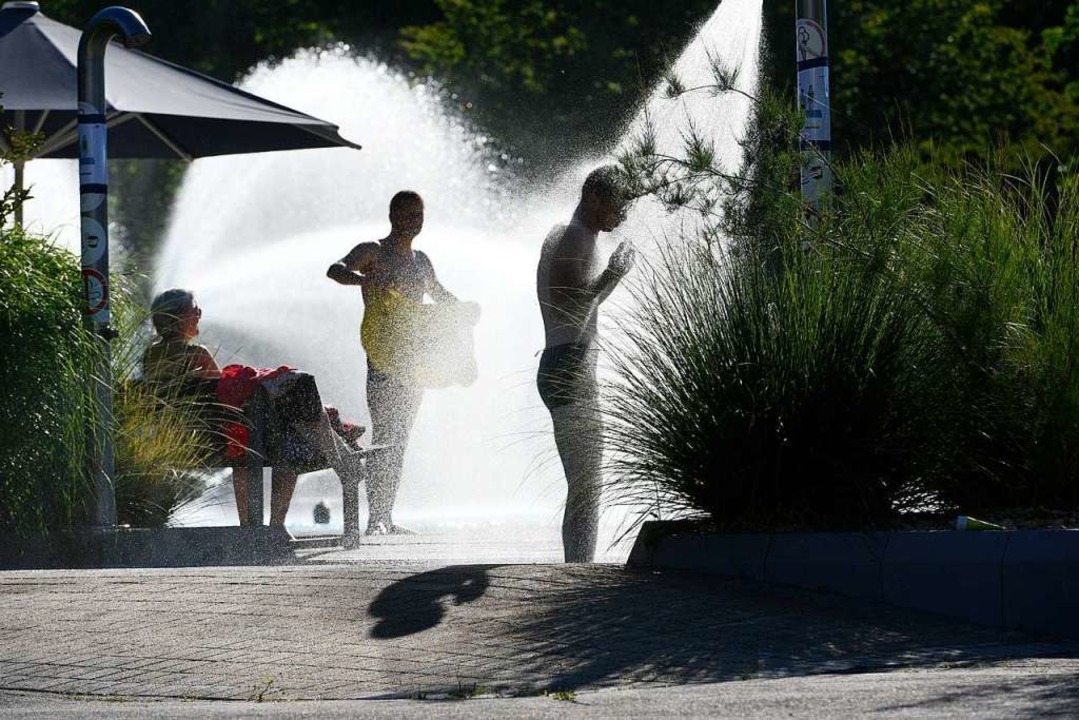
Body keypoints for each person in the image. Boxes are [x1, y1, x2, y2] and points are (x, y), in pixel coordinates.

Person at [143, 288, 359, 528]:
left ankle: (248, 527)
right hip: (221, 443)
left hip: (184, 443)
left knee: (275, 432)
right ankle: (279, 524)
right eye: (195, 310)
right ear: (180, 318)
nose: (200, 314)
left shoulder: (150, 356)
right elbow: (226, 403)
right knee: (286, 439)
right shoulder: (197, 354)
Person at [327, 190, 476, 536]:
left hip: (415, 360)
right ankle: (374, 518)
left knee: (401, 438)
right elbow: (335, 270)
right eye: (409, 215)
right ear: (393, 216)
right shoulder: (374, 252)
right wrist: (365, 279)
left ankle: (386, 516)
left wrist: (464, 309)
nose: (415, 222)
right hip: (382, 358)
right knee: (385, 434)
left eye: (420, 215)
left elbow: (440, 295)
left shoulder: (421, 261)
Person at [535, 165, 635, 562]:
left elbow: (581, 305)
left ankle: (580, 563)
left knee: (587, 480)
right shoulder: (573, 236)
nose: (622, 215)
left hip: (567, 363)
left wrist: (611, 278)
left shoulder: (578, 236)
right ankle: (579, 569)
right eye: (617, 204)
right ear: (594, 197)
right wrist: (611, 272)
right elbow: (567, 302)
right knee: (587, 481)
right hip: (568, 367)